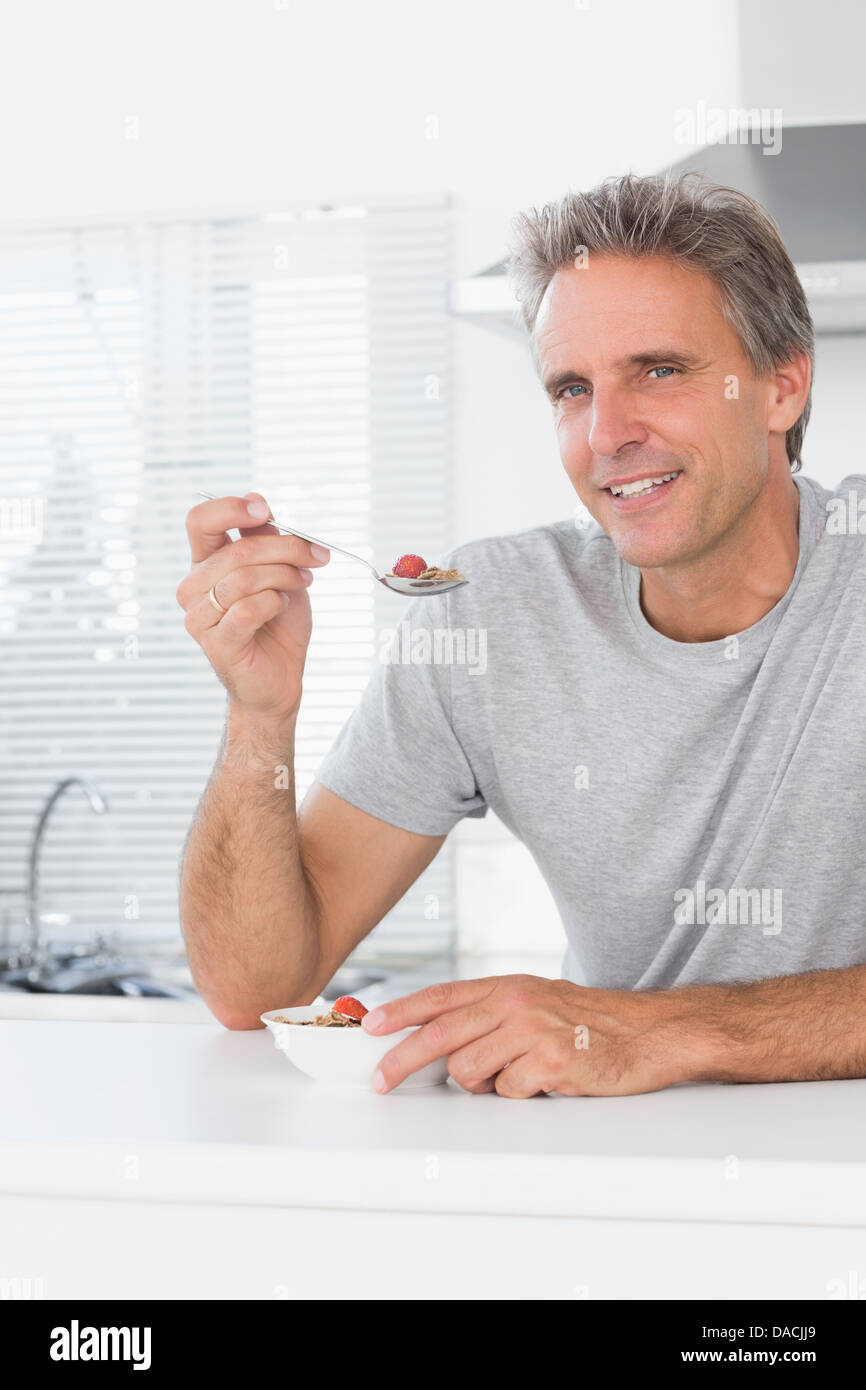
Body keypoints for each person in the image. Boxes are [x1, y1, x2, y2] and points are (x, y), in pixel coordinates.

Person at [176, 171, 866, 1098]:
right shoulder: (491, 617)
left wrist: (658, 1031)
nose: (606, 433)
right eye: (572, 388)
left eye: (660, 370)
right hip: (609, 1181)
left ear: (781, 386)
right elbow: (255, 987)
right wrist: (259, 715)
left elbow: (638, 1037)